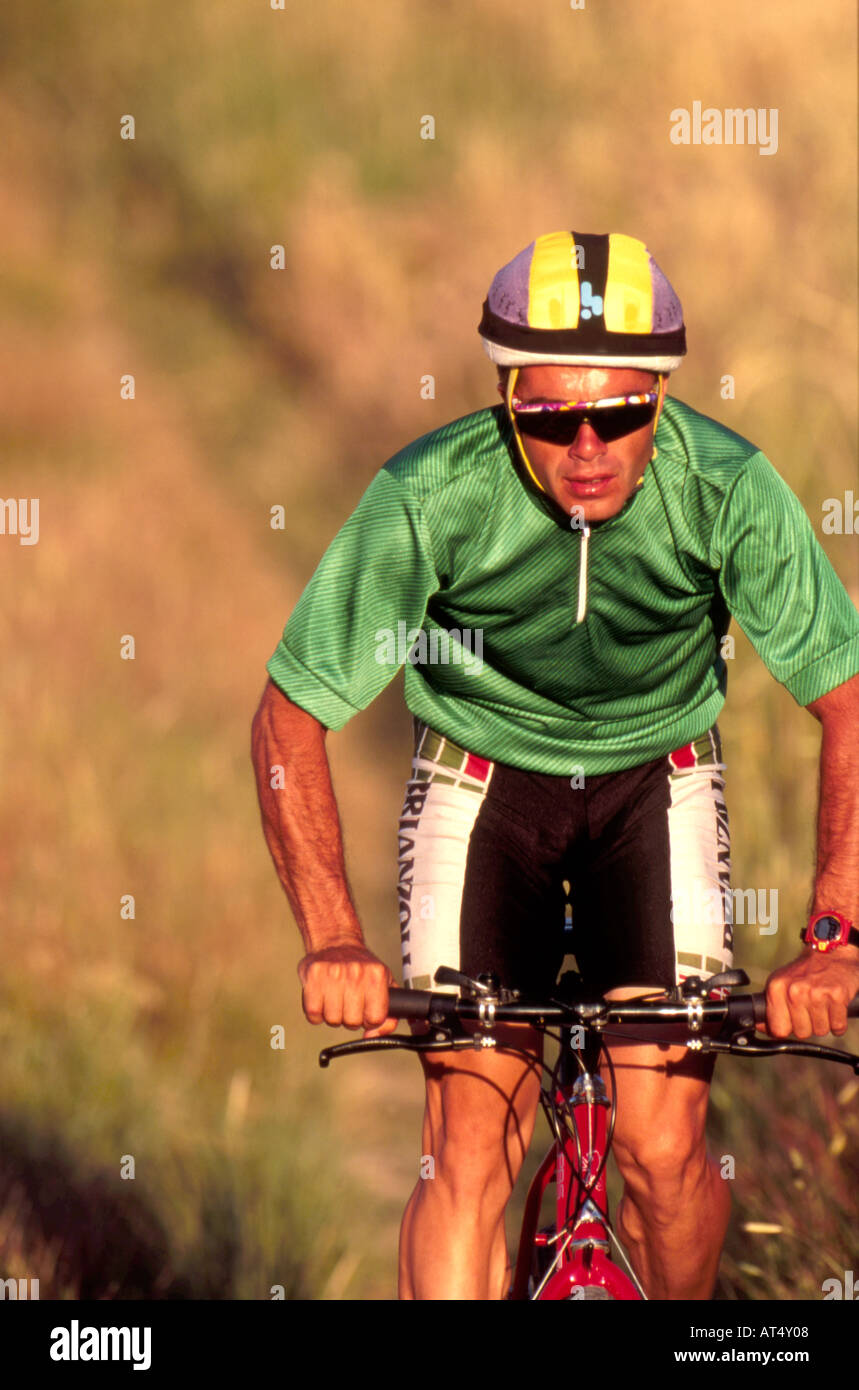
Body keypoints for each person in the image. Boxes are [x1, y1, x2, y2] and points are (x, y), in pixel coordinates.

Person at [251, 229, 859, 1300]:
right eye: (548, 416)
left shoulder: (728, 486)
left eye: (619, 412)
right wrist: (333, 939)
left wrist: (832, 939)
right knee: (469, 1148)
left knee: (665, 1152)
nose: (587, 443)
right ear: (503, 400)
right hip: (482, 783)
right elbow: (290, 717)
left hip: (653, 783)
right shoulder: (428, 493)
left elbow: (849, 703)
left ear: (661, 401)